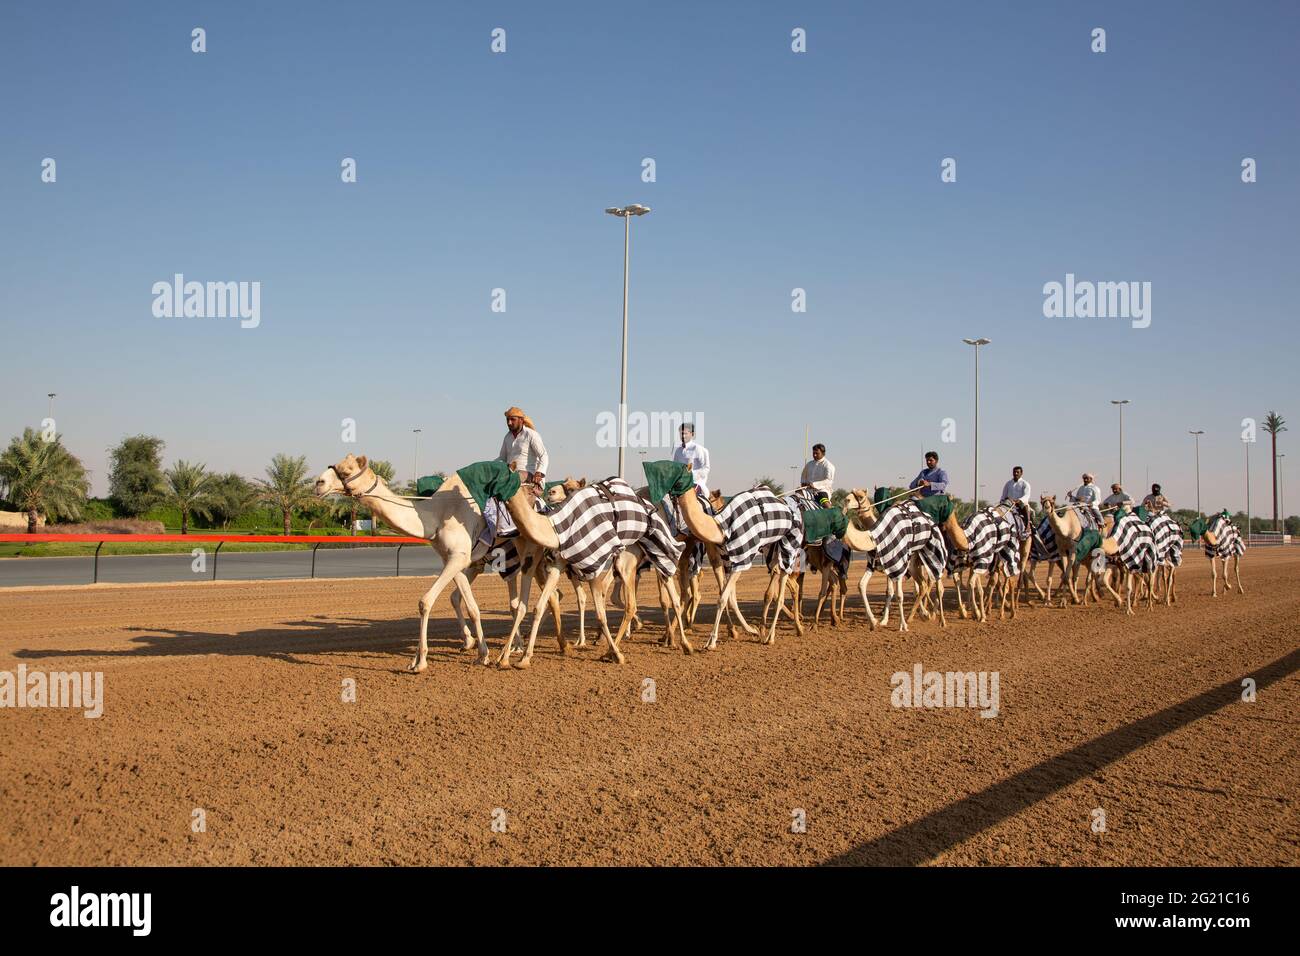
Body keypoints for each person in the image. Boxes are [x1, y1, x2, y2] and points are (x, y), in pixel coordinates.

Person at [497, 407, 548, 486]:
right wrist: (487, 466)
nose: (509, 423)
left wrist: (539, 473)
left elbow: (543, 455)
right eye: (507, 420)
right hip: (510, 476)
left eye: (512, 419)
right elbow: (502, 459)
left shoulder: (531, 434)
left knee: (515, 476)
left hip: (529, 476)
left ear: (521, 420)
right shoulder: (507, 437)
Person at [671, 423, 711, 500]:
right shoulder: (678, 451)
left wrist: (691, 476)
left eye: (685, 433)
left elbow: (706, 469)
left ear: (692, 434)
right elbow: (675, 469)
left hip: (695, 484)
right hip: (679, 485)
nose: (683, 436)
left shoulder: (698, 449)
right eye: (681, 434)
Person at [801, 443, 835, 507]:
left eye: (817, 453)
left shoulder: (828, 465)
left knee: (824, 501)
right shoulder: (809, 464)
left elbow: (828, 481)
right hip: (807, 491)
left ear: (823, 453)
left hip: (821, 491)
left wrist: (814, 485)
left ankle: (832, 515)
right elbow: (803, 478)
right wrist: (803, 484)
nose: (815, 455)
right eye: (813, 453)